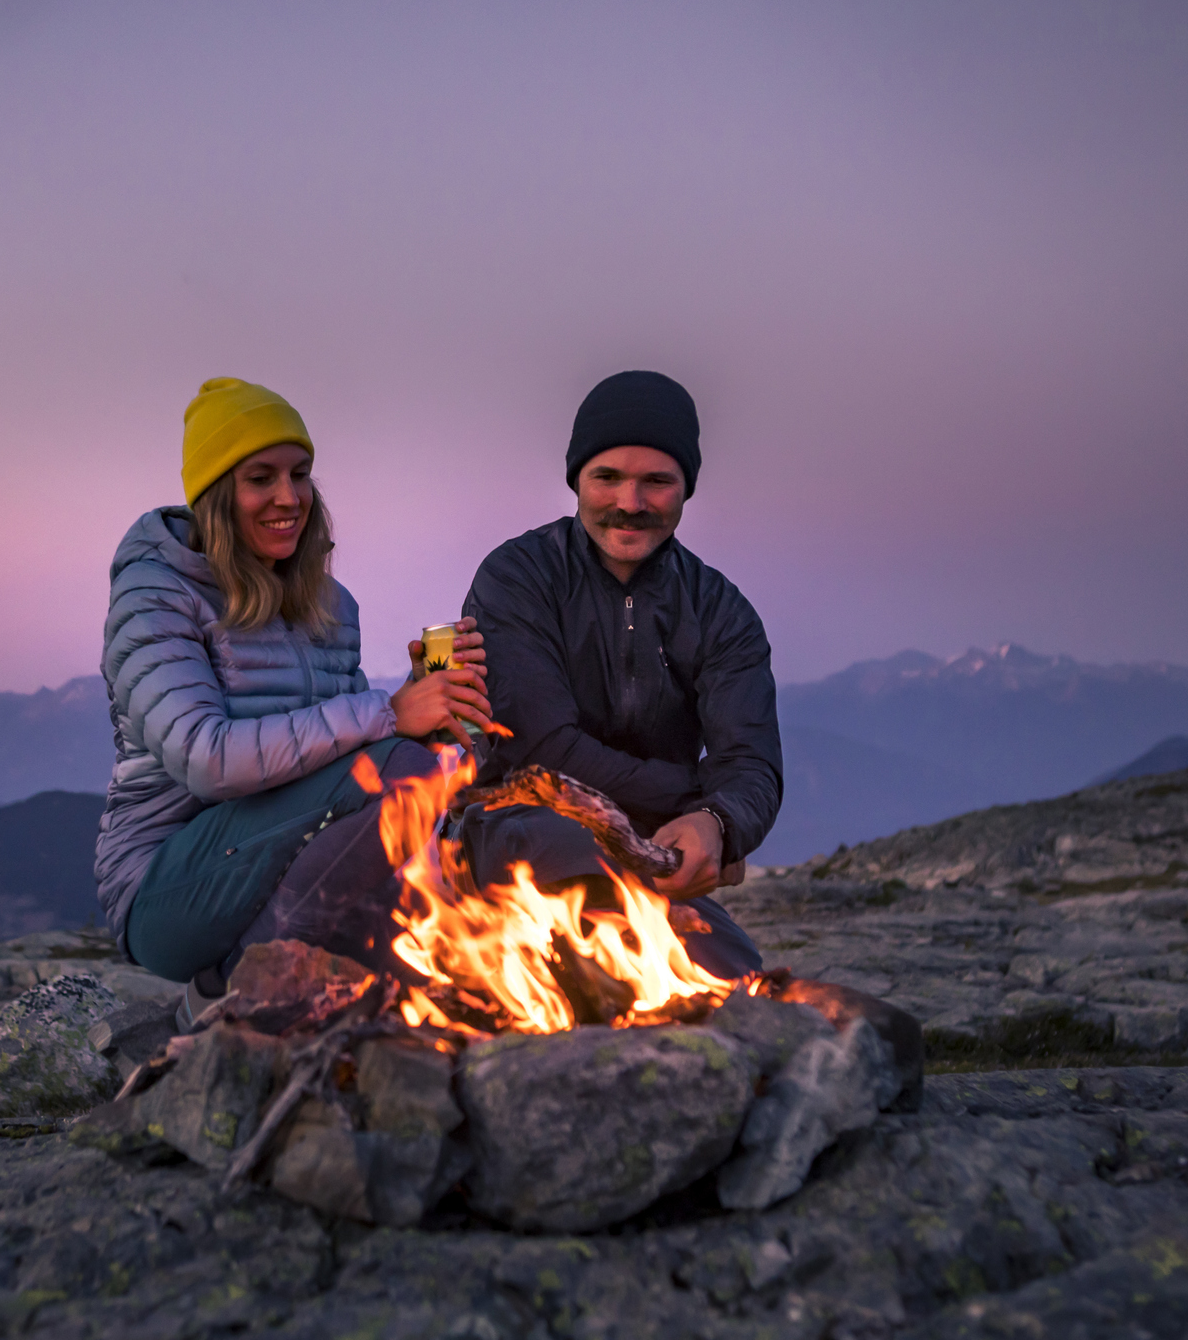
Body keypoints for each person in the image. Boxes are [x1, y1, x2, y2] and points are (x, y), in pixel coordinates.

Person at [96, 377, 491, 998]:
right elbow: (206, 759)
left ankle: (294, 981)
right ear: (215, 495)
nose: (289, 497)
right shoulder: (155, 596)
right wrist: (389, 713)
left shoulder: (330, 606)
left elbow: (344, 766)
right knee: (399, 769)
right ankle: (238, 993)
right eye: (261, 478)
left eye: (300, 474)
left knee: (444, 976)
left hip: (283, 867)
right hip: (167, 890)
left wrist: (426, 702)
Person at [459, 369, 781, 977]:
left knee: (736, 976)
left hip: (646, 860)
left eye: (656, 481)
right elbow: (542, 752)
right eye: (607, 477)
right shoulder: (517, 578)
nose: (630, 504)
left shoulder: (722, 612)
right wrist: (694, 799)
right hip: (517, 833)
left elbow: (751, 763)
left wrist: (718, 823)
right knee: (569, 863)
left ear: (686, 489)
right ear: (577, 481)